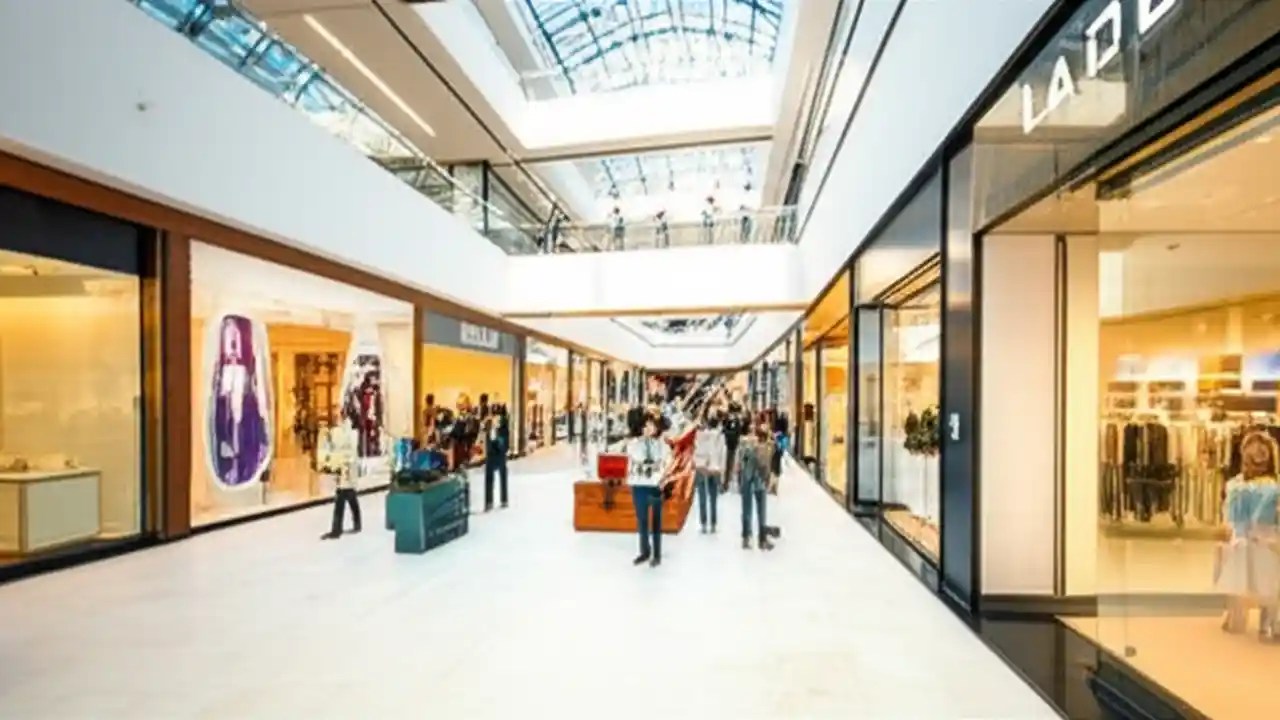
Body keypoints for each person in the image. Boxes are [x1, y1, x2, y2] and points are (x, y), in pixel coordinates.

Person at [627, 413, 670, 567]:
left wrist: (664, 479)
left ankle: (657, 554)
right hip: (639, 484)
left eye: (651, 425)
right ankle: (644, 551)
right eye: (645, 426)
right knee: (642, 520)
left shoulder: (661, 445)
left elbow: (665, 461)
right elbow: (636, 457)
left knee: (656, 521)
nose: (647, 428)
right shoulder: (634, 444)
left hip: (655, 485)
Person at [737, 422, 775, 551]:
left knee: (746, 509)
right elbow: (767, 466)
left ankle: (746, 538)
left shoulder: (745, 445)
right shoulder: (766, 447)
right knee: (761, 511)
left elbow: (740, 462)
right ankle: (762, 540)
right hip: (760, 481)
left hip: (747, 479)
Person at [693, 411, 726, 533]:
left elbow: (695, 452)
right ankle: (713, 523)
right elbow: (723, 455)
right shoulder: (720, 437)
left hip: (702, 468)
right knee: (713, 498)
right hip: (715, 469)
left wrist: (697, 464)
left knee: (702, 496)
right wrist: (721, 471)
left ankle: (703, 523)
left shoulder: (699, 436)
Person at [483, 413, 509, 512]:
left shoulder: (503, 430)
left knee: (503, 477)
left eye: (497, 419)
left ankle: (504, 499)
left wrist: (497, 441)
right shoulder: (488, 428)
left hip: (500, 455)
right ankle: (489, 502)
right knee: (489, 478)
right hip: (490, 456)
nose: (495, 421)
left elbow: (504, 445)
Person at [722, 405, 745, 491]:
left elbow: (737, 432)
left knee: (737, 464)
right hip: (729, 445)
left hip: (735, 445)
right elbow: (725, 429)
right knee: (728, 464)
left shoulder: (737, 421)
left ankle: (738, 484)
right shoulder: (728, 420)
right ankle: (726, 483)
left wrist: (728, 433)